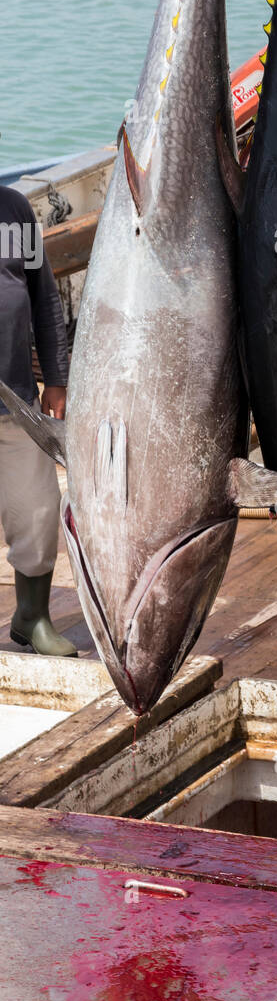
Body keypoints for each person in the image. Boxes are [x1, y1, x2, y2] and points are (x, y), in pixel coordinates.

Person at [0, 183, 76, 656]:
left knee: (39, 512)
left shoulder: (15, 209)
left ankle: (33, 616)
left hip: (18, 404)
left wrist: (57, 378)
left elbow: (45, 298)